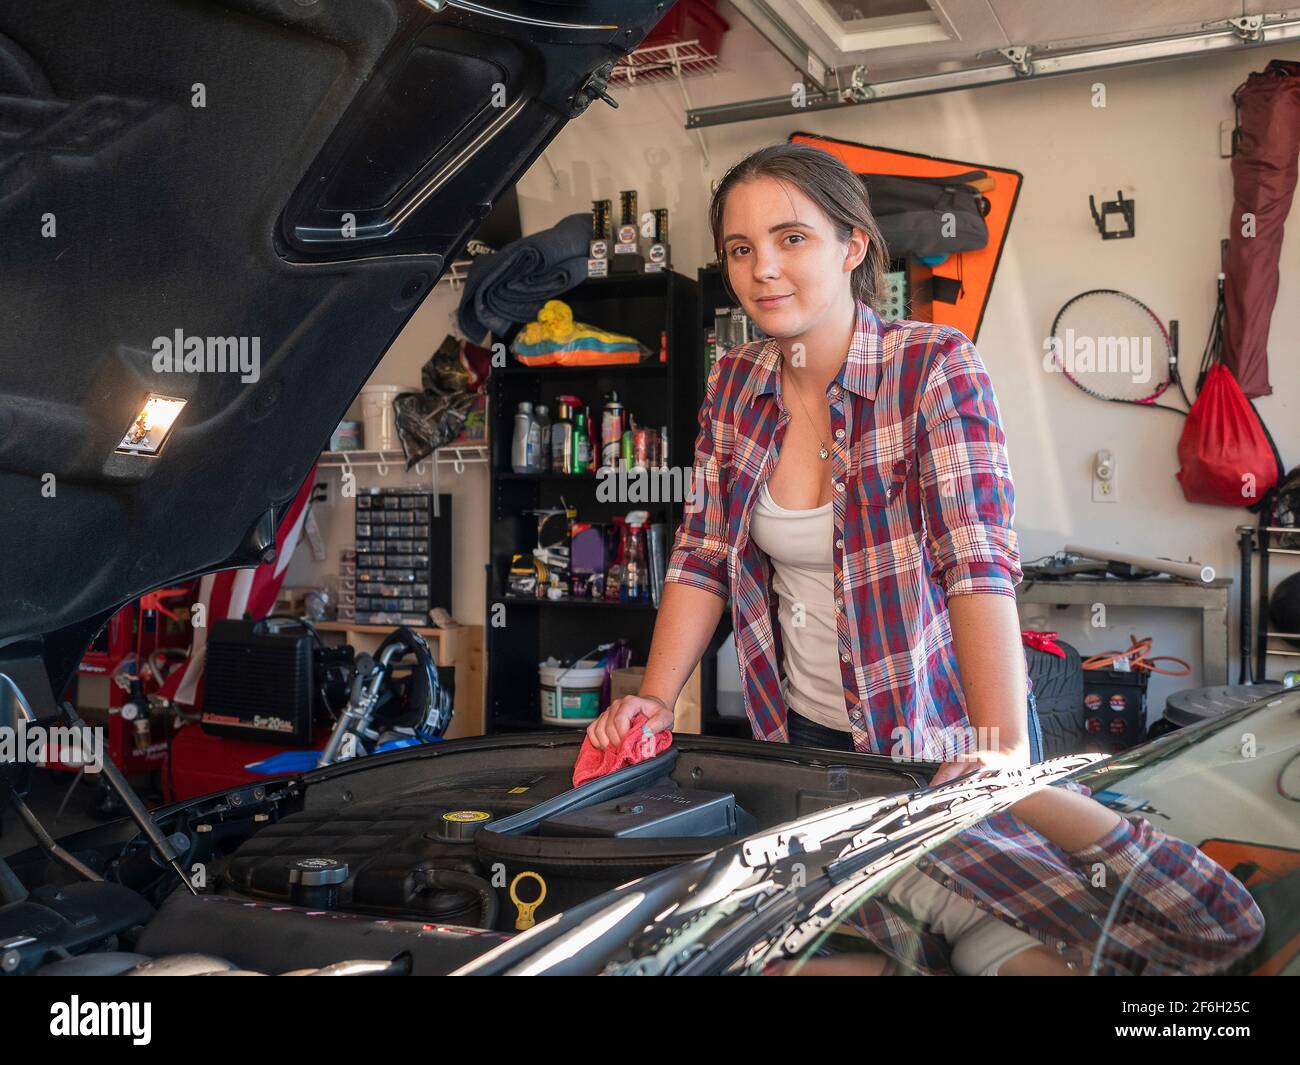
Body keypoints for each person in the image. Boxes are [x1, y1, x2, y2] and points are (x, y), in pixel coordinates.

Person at [587, 143, 1041, 784]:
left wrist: (998, 746)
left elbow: (976, 563)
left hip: (943, 731)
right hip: (797, 726)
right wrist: (657, 700)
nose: (763, 269)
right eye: (741, 249)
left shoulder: (933, 365)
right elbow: (704, 555)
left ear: (852, 246)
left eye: (791, 238)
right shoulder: (734, 384)